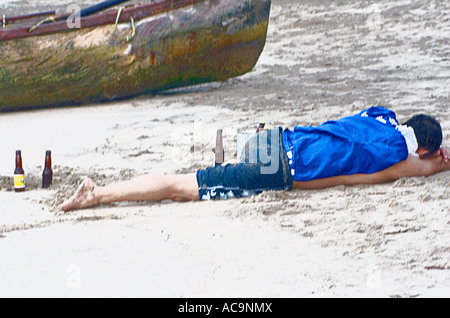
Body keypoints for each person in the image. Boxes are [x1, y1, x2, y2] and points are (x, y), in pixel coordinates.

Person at [60, 106, 450, 212]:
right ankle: (99, 194)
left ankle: (222, 164)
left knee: (205, 181)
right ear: (426, 147)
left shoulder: (379, 117)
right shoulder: (399, 153)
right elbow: (414, 166)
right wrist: (436, 163)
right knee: (184, 188)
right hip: (279, 166)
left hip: (274, 137)